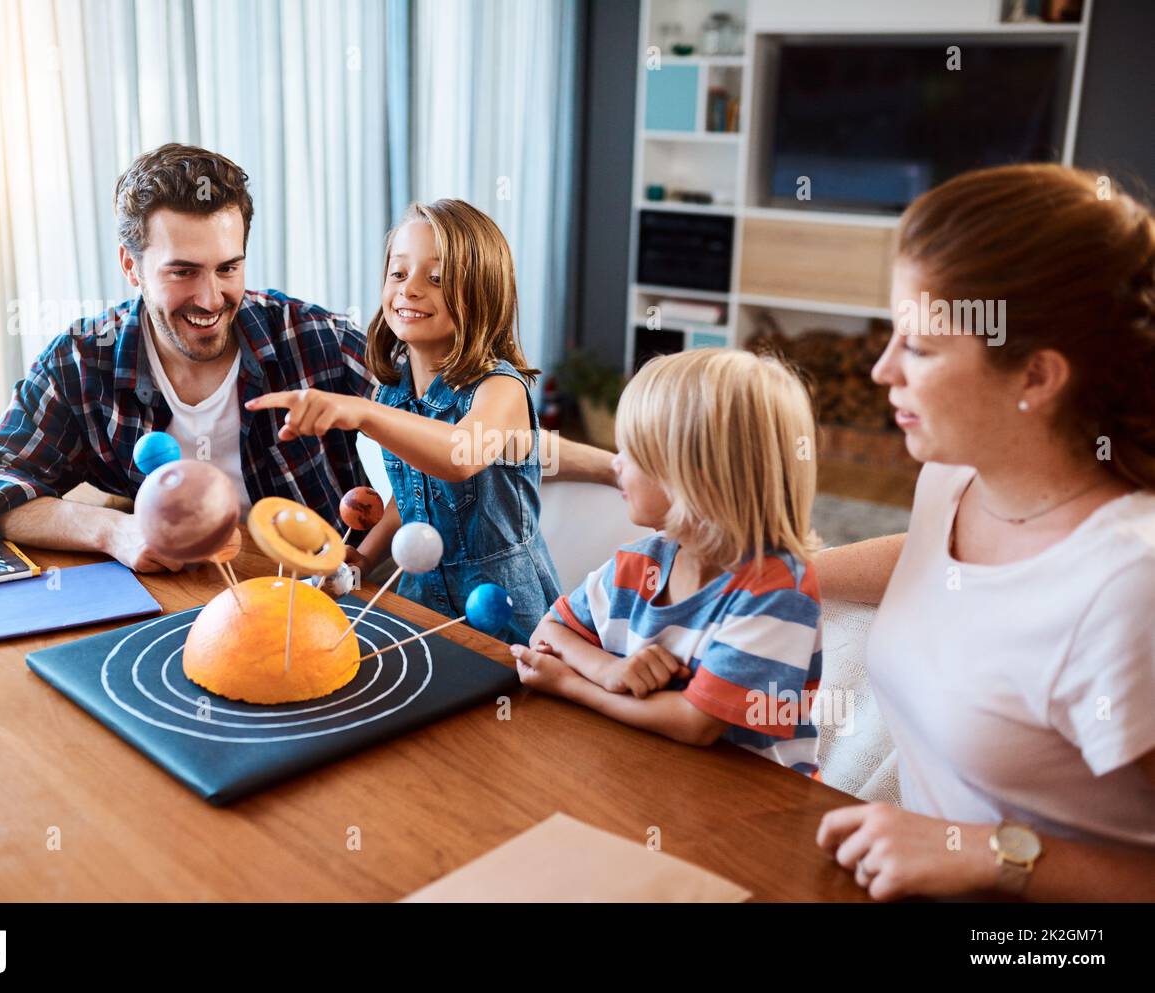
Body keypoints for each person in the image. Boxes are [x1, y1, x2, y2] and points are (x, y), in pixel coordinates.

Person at [0, 146, 616, 573]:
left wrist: (614, 465)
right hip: (173, 604)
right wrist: (111, 531)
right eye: (182, 271)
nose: (210, 298)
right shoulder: (85, 362)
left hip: (314, 607)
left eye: (228, 267)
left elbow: (488, 438)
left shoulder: (316, 342)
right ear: (131, 265)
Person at [814, 164, 1155, 901]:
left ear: (1035, 375)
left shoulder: (1129, 588)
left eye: (922, 349)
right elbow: (951, 573)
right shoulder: (957, 473)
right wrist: (784, 572)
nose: (880, 371)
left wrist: (987, 852)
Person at [247, 200, 561, 642]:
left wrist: (364, 413)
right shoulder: (392, 390)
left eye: (437, 278)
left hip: (505, 609)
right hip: (419, 598)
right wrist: (362, 556)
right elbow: (415, 495)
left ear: (483, 293)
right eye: (398, 273)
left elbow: (458, 457)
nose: (410, 289)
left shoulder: (501, 389)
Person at [508, 349, 823, 772]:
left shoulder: (777, 589)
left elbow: (695, 723)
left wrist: (571, 685)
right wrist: (607, 671)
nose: (614, 464)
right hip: (650, 772)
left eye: (631, 452)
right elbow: (550, 630)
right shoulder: (639, 563)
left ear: (694, 475)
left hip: (750, 813)